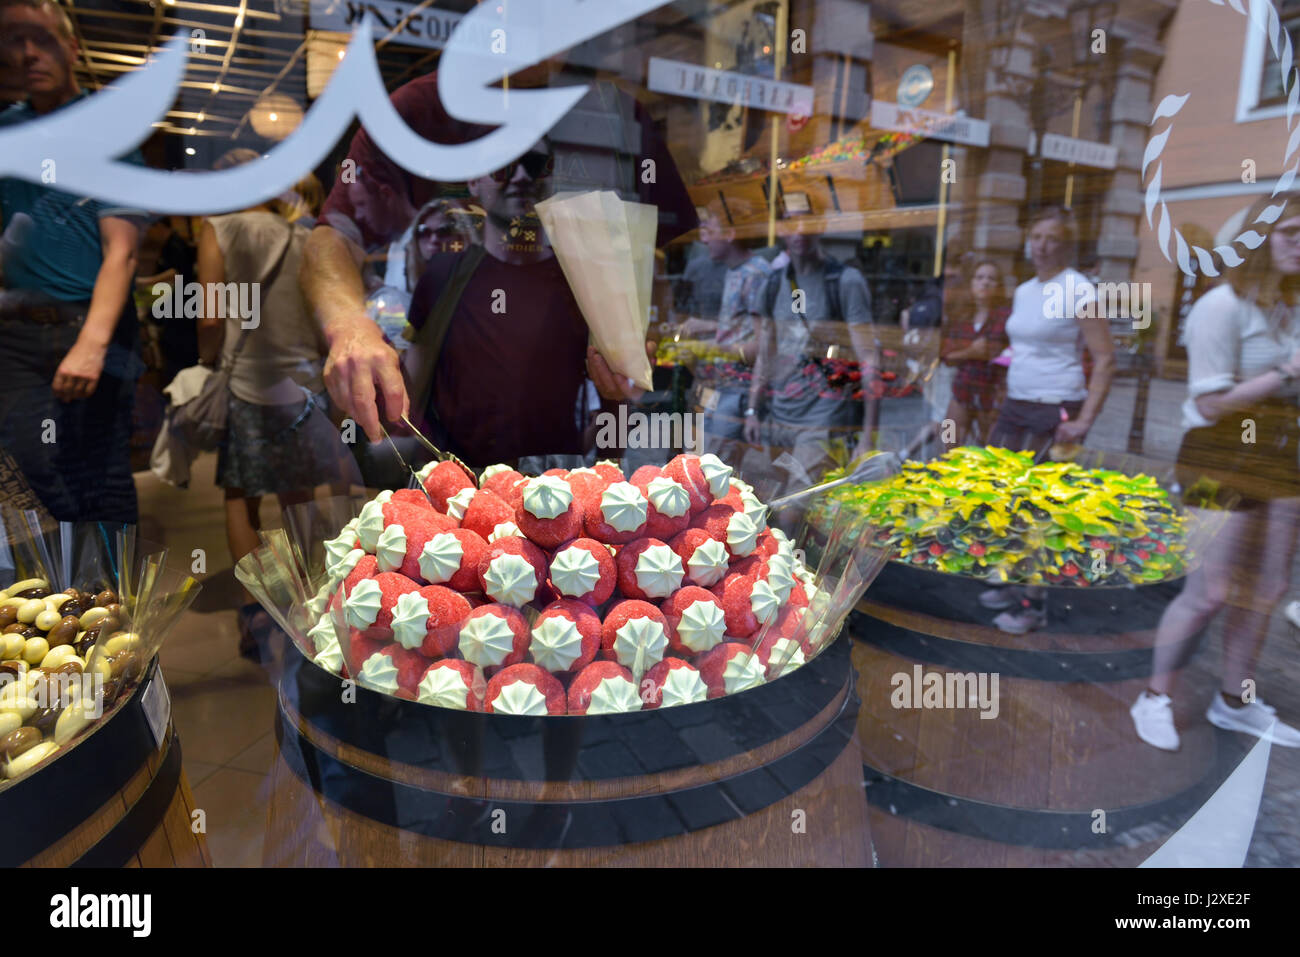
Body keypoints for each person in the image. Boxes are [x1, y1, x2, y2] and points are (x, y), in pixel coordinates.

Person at [301, 67, 695, 451]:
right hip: (455, 457)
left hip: (579, 452)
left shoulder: (612, 116)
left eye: (537, 166)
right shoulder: (421, 112)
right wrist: (350, 326)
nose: (522, 178)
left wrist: (635, 343)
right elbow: (333, 237)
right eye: (502, 168)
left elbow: (653, 254)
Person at [1130, 192, 1300, 751]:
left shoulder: (1292, 306)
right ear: (1260, 238)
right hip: (1217, 454)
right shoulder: (1221, 306)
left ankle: (1235, 703)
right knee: (1209, 591)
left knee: (1267, 590)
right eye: (1288, 231)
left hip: (1283, 455)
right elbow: (1208, 405)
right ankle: (1153, 697)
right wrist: (1286, 372)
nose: (1298, 243)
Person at [199, 149, 354, 657]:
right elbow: (324, 319)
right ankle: (307, 605)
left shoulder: (219, 226)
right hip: (301, 387)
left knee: (241, 497)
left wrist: (207, 365)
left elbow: (210, 316)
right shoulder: (305, 234)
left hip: (247, 382)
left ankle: (256, 615)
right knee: (298, 498)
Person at [0, 0, 145, 524]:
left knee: (98, 475)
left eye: (42, 39)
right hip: (17, 332)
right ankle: (57, 596)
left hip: (89, 325)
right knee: (28, 468)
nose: (28, 53)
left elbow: (122, 251)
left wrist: (91, 344)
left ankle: (114, 602)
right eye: (15, 40)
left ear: (72, 48)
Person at [980, 207, 1115, 635]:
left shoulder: (1079, 288)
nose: (1041, 244)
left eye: (1051, 237)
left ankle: (1031, 605)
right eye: (1035, 235)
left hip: (1057, 406)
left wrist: (1084, 421)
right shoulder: (1024, 290)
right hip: (1017, 403)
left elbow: (1106, 359)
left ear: (1066, 244)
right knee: (1006, 498)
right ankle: (1012, 578)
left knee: (1039, 508)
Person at [751, 224, 878, 485]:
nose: (799, 232)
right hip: (779, 416)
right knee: (771, 505)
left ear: (820, 228)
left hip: (823, 417)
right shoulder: (773, 283)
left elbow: (869, 361)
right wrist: (753, 409)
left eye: (806, 223)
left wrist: (868, 439)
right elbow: (765, 354)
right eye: (791, 224)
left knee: (794, 509)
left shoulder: (844, 281)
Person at [676, 200, 772, 464]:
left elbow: (762, 346)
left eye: (712, 230)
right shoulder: (735, 271)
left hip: (737, 387)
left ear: (730, 235)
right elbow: (741, 326)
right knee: (696, 459)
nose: (705, 240)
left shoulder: (755, 274)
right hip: (720, 383)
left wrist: (706, 348)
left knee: (710, 468)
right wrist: (705, 328)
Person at [940, 259, 1011, 446]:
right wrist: (971, 352)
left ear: (998, 286)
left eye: (991, 279)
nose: (985, 282)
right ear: (971, 283)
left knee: (990, 451)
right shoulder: (960, 316)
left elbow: (1006, 354)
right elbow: (946, 357)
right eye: (979, 277)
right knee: (948, 439)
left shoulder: (1007, 317)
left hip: (993, 394)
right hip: (962, 390)